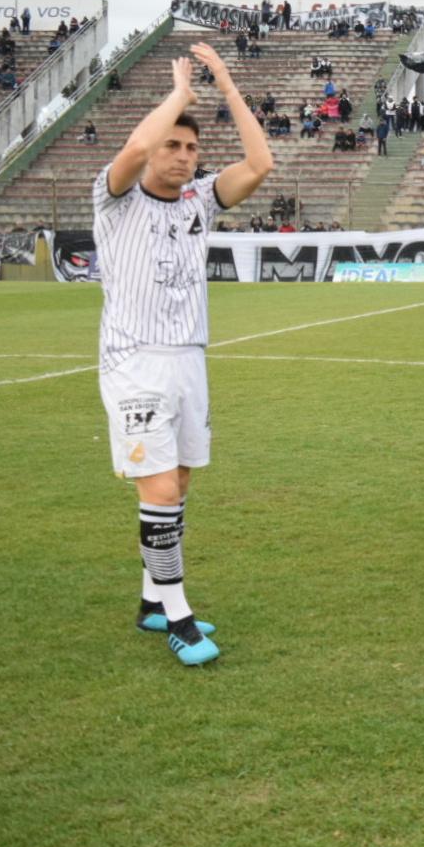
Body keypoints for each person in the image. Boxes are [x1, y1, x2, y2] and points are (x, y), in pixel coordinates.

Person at [93, 42, 274, 666]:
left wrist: (224, 84)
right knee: (162, 488)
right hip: (133, 361)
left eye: (192, 148)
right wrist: (177, 97)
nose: (183, 156)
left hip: (189, 359)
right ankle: (178, 616)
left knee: (182, 480)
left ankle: (150, 599)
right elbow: (135, 153)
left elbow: (260, 162)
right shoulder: (113, 200)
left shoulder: (199, 202)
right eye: (175, 145)